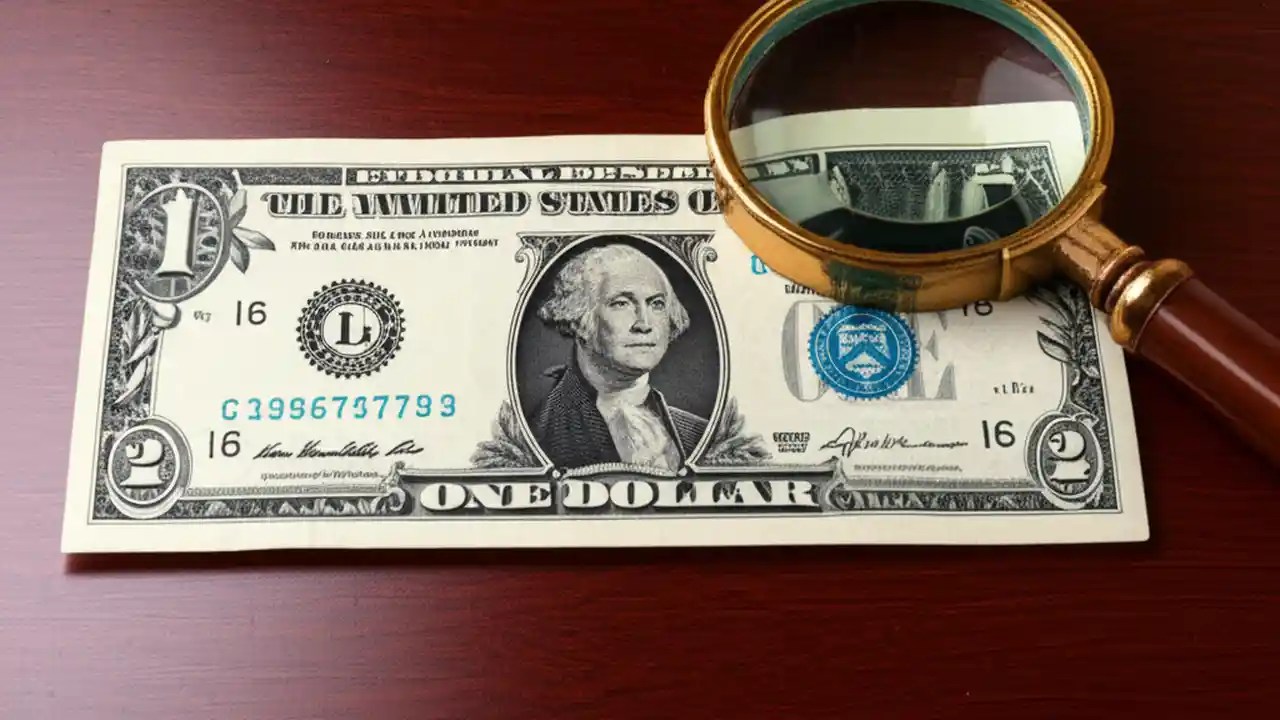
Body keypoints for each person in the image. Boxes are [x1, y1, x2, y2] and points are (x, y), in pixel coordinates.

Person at [530, 243, 708, 471]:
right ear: (579, 319)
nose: (644, 324)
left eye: (657, 304)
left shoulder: (700, 434)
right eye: (621, 303)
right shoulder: (537, 434)